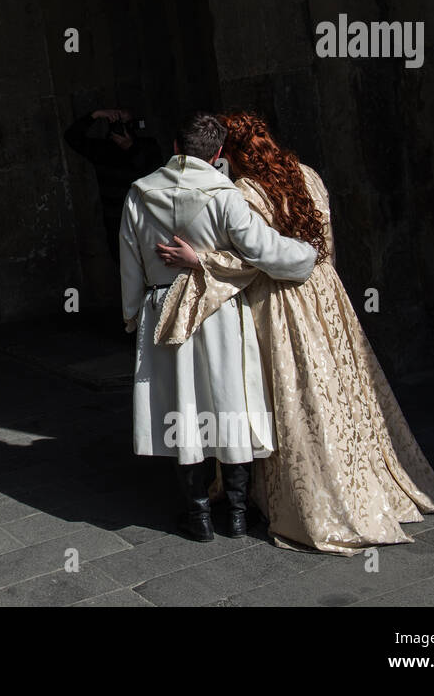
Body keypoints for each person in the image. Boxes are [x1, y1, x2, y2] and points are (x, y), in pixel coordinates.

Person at [153, 111, 434, 554]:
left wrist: (201, 262)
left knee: (295, 395)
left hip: (281, 301)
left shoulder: (242, 192)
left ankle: (312, 498)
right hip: (326, 292)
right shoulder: (306, 174)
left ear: (230, 152)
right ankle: (359, 475)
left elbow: (260, 261)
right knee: (339, 389)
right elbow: (322, 241)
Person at [120, 112, 318, 542]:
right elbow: (262, 249)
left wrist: (133, 312)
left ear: (175, 146)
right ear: (219, 153)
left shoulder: (138, 194)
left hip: (163, 310)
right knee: (229, 404)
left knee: (183, 410)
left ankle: (199, 517)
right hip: (218, 309)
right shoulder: (224, 195)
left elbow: (130, 262)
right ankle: (239, 515)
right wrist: (305, 255)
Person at [65, 108, 164, 263]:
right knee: (125, 265)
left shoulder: (147, 146)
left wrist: (131, 147)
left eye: (125, 123)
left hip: (147, 216)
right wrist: (96, 114)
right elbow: (72, 137)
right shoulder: (103, 150)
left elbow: (154, 172)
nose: (121, 127)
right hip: (117, 221)